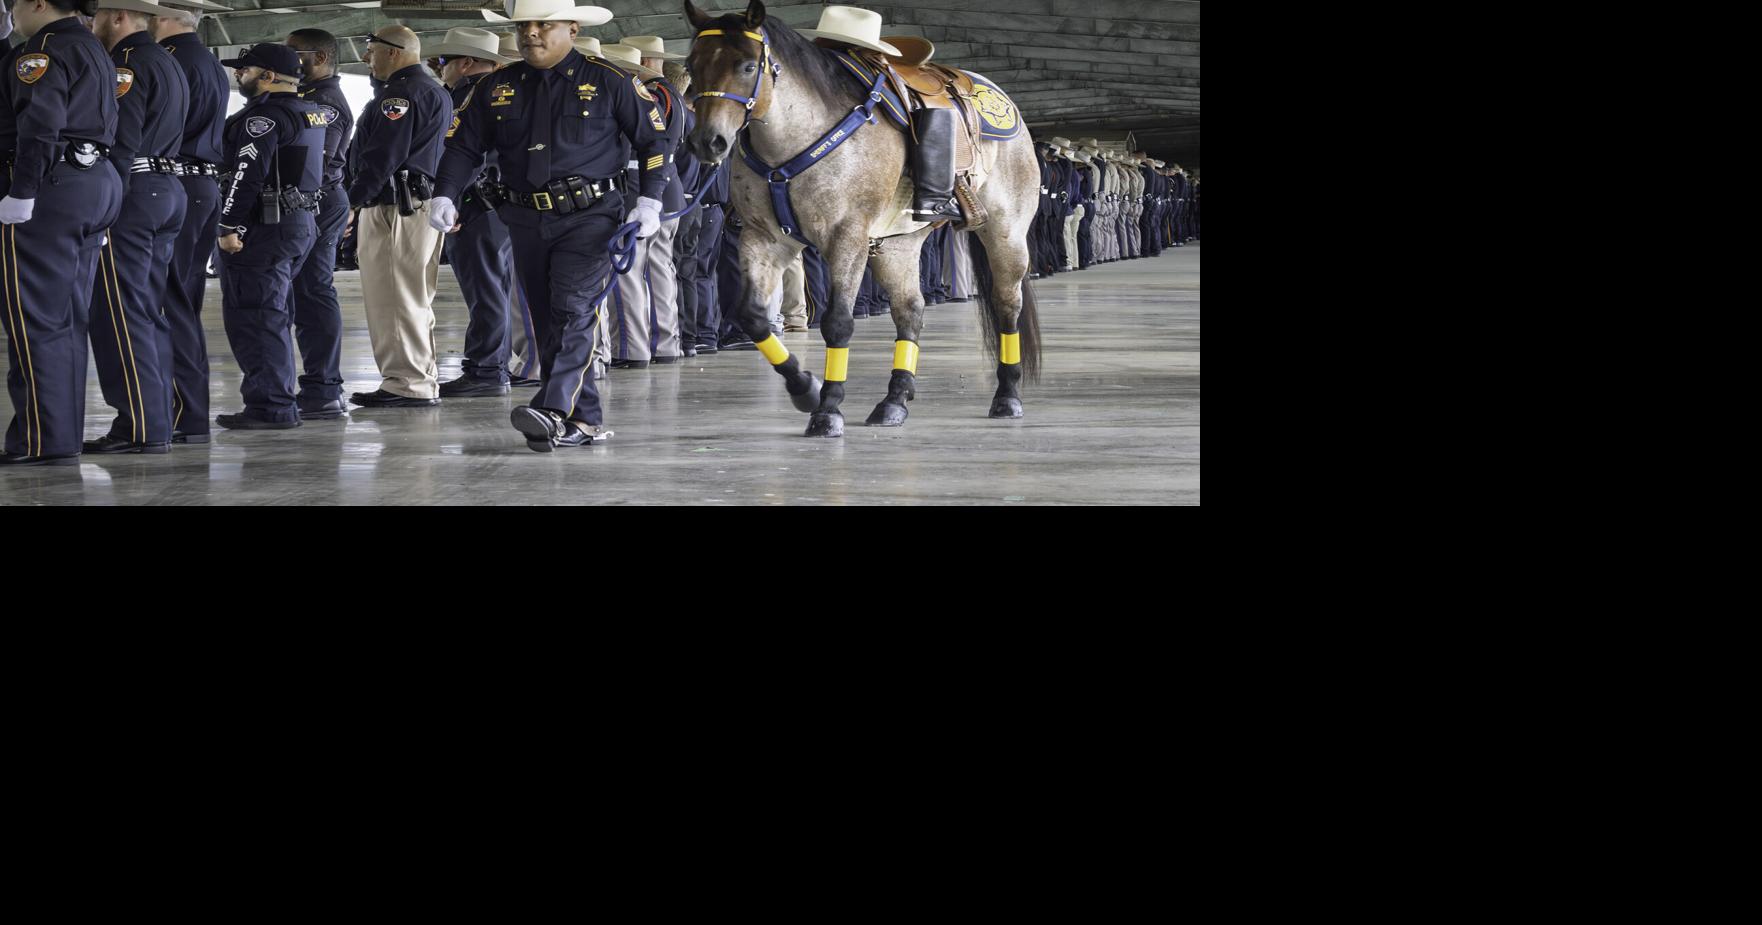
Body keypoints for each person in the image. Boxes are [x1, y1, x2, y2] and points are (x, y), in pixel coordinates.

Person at [430, 0, 672, 452]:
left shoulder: (612, 81)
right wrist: (445, 193)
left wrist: (650, 202)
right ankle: (583, 421)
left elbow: (653, 142)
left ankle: (552, 406)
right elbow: (464, 147)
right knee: (547, 321)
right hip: (522, 217)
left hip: (591, 217)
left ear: (572, 29)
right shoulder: (495, 86)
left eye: (545, 24)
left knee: (574, 309)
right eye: (524, 26)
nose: (532, 33)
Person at [0, 0, 124, 466]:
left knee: (34, 320)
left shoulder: (43, 50)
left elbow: (40, 124)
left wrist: (22, 190)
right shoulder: (91, 47)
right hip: (94, 180)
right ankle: (60, 436)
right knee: (66, 319)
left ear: (37, 2)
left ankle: (42, 440)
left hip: (50, 185)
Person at [78, 0, 189, 455]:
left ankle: (139, 426)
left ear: (120, 17)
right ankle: (155, 418)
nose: (93, 23)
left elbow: (122, 139)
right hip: (166, 188)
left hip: (134, 193)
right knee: (144, 311)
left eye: (100, 16)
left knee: (119, 314)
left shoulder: (127, 64)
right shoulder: (167, 60)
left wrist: (107, 204)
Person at [211, 42, 325, 431]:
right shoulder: (310, 112)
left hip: (264, 225)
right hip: (299, 223)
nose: (239, 76)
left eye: (246, 70)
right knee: (273, 313)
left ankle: (271, 406)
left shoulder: (263, 119)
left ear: (268, 77)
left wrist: (228, 226)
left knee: (255, 316)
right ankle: (277, 399)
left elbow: (246, 175)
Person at [346, 24, 451, 409]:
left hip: (396, 207)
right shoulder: (432, 91)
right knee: (412, 297)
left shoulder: (401, 95)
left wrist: (352, 201)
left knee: (393, 297)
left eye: (371, 50)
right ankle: (418, 378)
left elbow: (383, 155)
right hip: (418, 205)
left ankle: (407, 384)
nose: (365, 57)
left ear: (394, 51)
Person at [151, 0, 229, 444]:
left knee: (170, 302)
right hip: (202, 185)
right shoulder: (207, 61)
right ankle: (187, 411)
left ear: (163, 19)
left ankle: (184, 412)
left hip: (178, 181)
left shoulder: (171, 61)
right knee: (183, 299)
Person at [426, 26, 517, 397]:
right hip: (498, 205)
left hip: (475, 205)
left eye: (443, 61)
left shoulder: (465, 98)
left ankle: (486, 370)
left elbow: (463, 154)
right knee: (496, 289)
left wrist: (454, 199)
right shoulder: (504, 95)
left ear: (465, 63)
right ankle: (492, 366)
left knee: (486, 292)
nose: (439, 68)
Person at [283, 27, 355, 419]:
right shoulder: (308, 96)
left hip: (319, 199)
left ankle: (324, 387)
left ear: (321, 57)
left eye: (294, 53)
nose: (288, 59)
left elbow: (316, 162)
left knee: (313, 289)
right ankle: (318, 384)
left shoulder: (324, 101)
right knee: (304, 290)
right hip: (315, 199)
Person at [600, 41, 684, 369]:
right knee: (660, 271)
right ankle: (664, 342)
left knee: (628, 274)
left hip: (641, 188)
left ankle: (631, 347)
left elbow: (647, 142)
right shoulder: (668, 91)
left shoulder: (649, 94)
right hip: (665, 189)